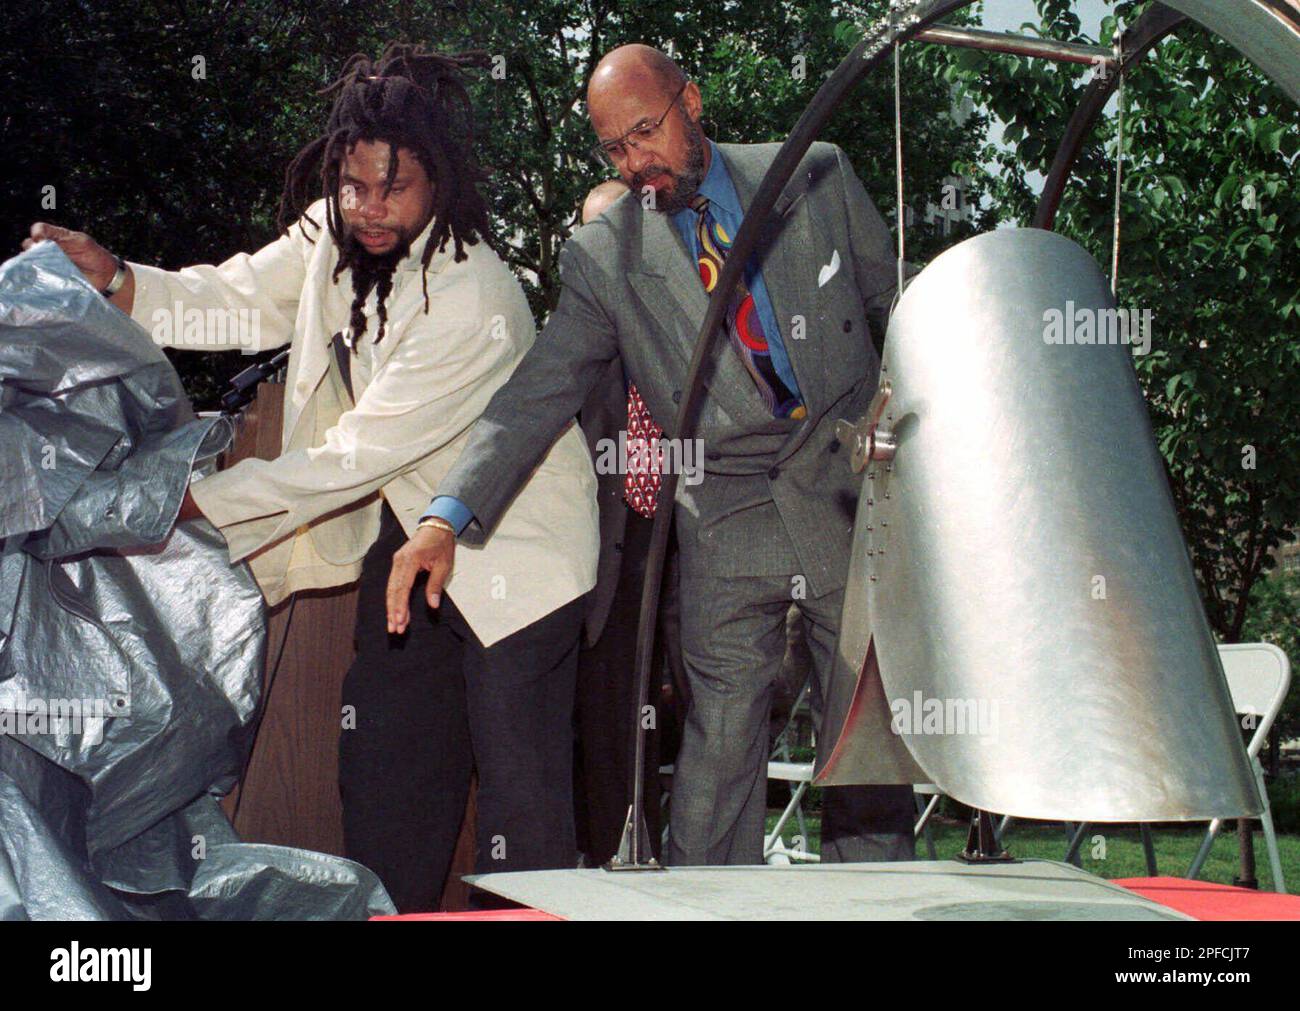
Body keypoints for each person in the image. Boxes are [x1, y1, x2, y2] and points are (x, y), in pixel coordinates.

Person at [24, 43, 598, 910]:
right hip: (410, 542)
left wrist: (184, 502)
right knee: (387, 774)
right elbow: (240, 295)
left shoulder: (473, 297)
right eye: (355, 184)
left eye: (391, 189)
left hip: (517, 558)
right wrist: (123, 280)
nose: (367, 208)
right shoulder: (339, 226)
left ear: (437, 180)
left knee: (522, 808)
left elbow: (346, 461)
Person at [387, 44, 916, 866]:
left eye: (646, 131)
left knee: (865, 759)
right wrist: (445, 516)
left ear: (691, 101)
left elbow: (904, 315)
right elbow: (536, 392)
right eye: (615, 148)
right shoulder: (606, 259)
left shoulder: (815, 176)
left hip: (848, 501)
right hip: (727, 515)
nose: (637, 162)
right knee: (714, 766)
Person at [571, 178, 688, 866]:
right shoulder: (577, 334)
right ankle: (615, 867)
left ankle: (707, 878)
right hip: (614, 551)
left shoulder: (691, 309)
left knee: (713, 710)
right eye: (595, 231)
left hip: (695, 538)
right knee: (614, 721)